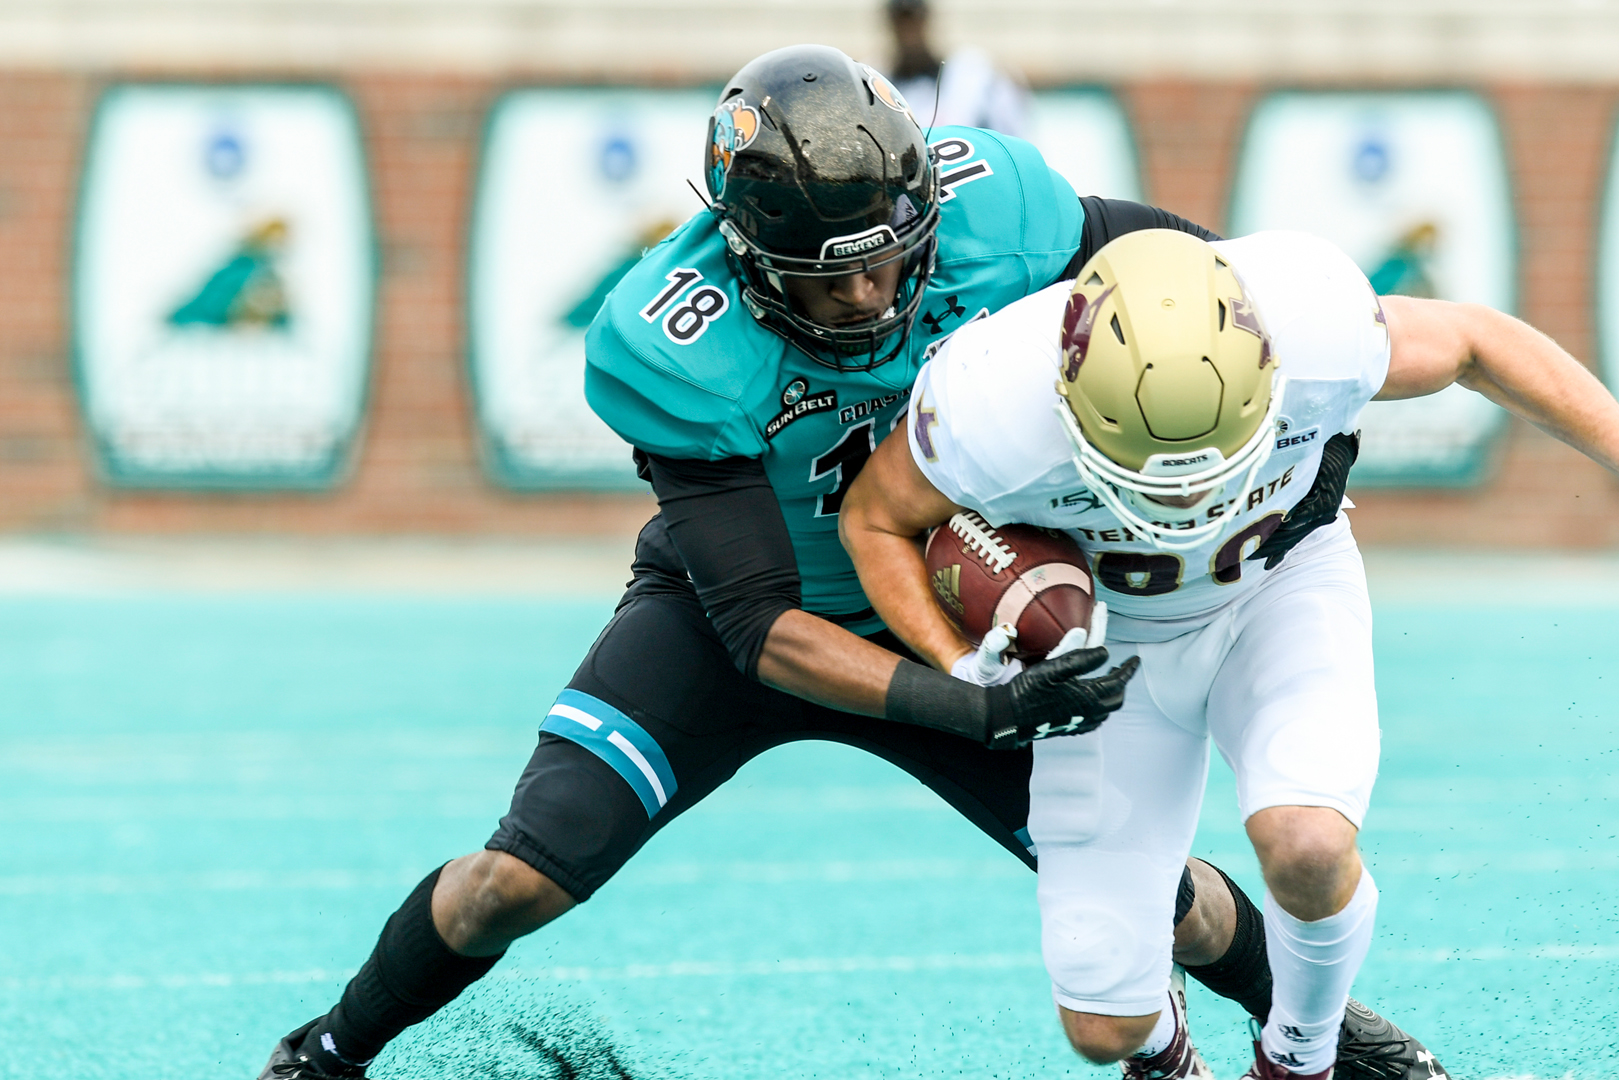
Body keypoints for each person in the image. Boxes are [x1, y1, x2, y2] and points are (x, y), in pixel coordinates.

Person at [254, 46, 1434, 1080]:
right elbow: (761, 626)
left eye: (890, 259)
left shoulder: (997, 206)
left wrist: (1304, 422)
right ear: (746, 251)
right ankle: (328, 1050)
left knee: (1144, 895)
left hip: (954, 594)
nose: (872, 295)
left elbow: (1201, 292)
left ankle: (1328, 1029)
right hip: (756, 623)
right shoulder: (676, 343)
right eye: (832, 274)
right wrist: (972, 704)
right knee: (514, 877)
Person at [838, 228, 1619, 1079]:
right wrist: (965, 669)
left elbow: (1474, 342)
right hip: (1108, 653)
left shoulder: (1317, 329)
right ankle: (1165, 1042)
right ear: (1072, 406)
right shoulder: (987, 402)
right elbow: (875, 521)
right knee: (1104, 1026)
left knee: (1307, 842)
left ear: (1269, 378)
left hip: (1278, 591)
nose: (1185, 503)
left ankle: (1298, 1058)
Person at [884, 0, 1030, 137]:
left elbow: (1011, 135)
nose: (909, 33)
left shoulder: (973, 73)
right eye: (902, 24)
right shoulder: (882, 81)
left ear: (926, 22)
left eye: (914, 23)